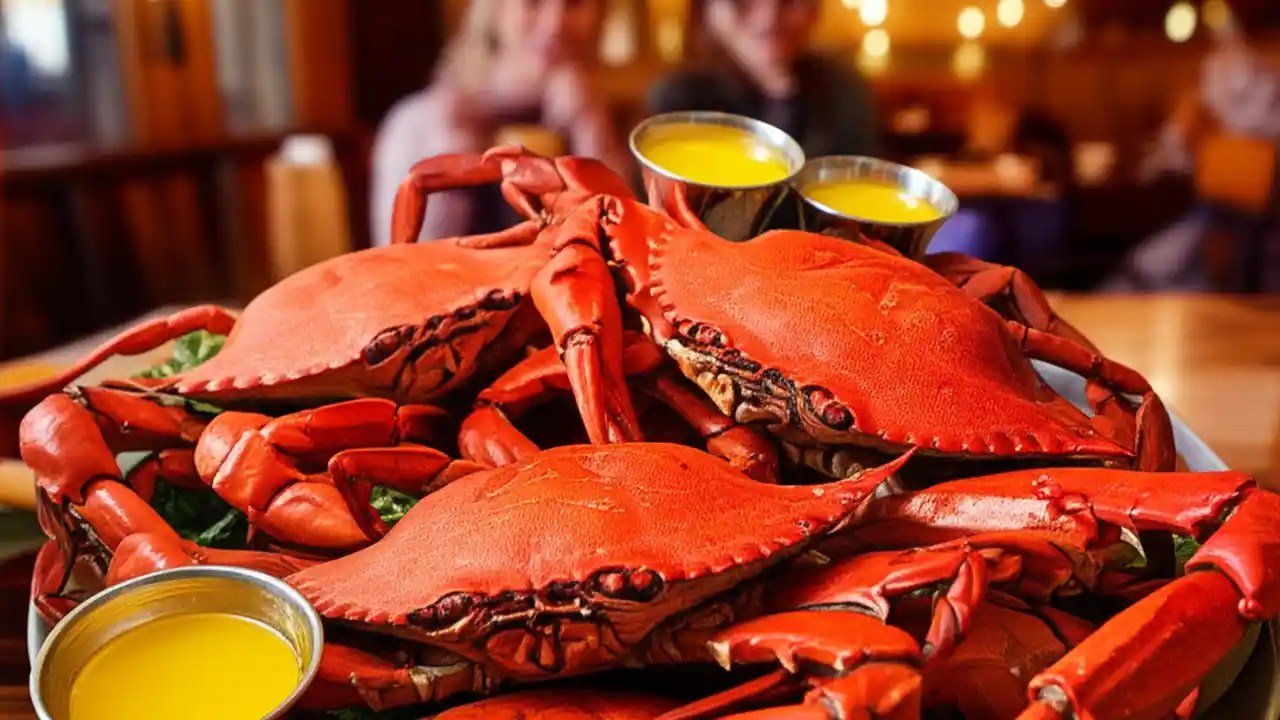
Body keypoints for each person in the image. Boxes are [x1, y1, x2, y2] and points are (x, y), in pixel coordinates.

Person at [370, 0, 631, 246]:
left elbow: (627, 259)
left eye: (575, 2)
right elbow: (409, 268)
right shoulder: (419, 122)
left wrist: (592, 130)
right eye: (533, 1)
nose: (554, 23)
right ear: (495, 8)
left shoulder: (616, 123)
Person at [646, 0, 878, 160]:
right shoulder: (679, 100)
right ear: (707, 9)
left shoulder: (845, 89)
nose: (769, 17)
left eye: (789, 0)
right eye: (742, 2)